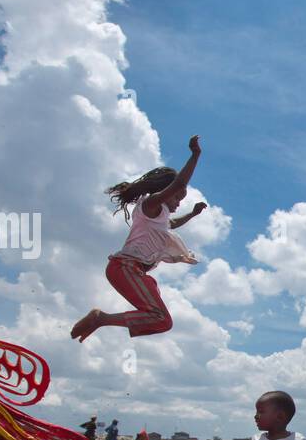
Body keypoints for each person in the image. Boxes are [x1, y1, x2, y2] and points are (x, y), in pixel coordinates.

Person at [71, 135, 206, 342]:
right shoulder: (150, 204)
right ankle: (100, 319)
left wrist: (192, 214)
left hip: (131, 270)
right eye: (177, 196)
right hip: (125, 268)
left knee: (161, 321)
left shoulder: (158, 217)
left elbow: (172, 225)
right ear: (165, 191)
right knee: (161, 318)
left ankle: (100, 320)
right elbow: (179, 183)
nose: (179, 202)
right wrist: (195, 155)